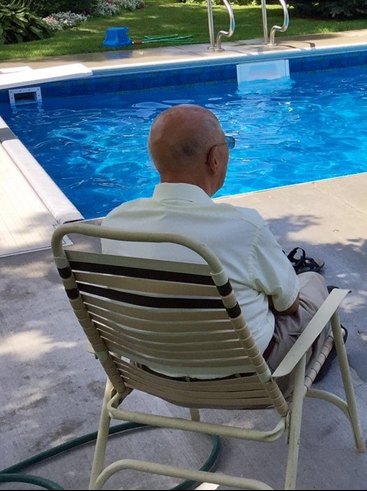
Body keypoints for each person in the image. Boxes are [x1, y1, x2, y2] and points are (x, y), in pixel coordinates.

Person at [101, 104, 334, 381]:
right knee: (313, 285)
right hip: (250, 378)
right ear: (214, 158)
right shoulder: (244, 228)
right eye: (228, 145)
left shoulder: (116, 223)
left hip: (155, 372)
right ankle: (327, 343)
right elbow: (289, 306)